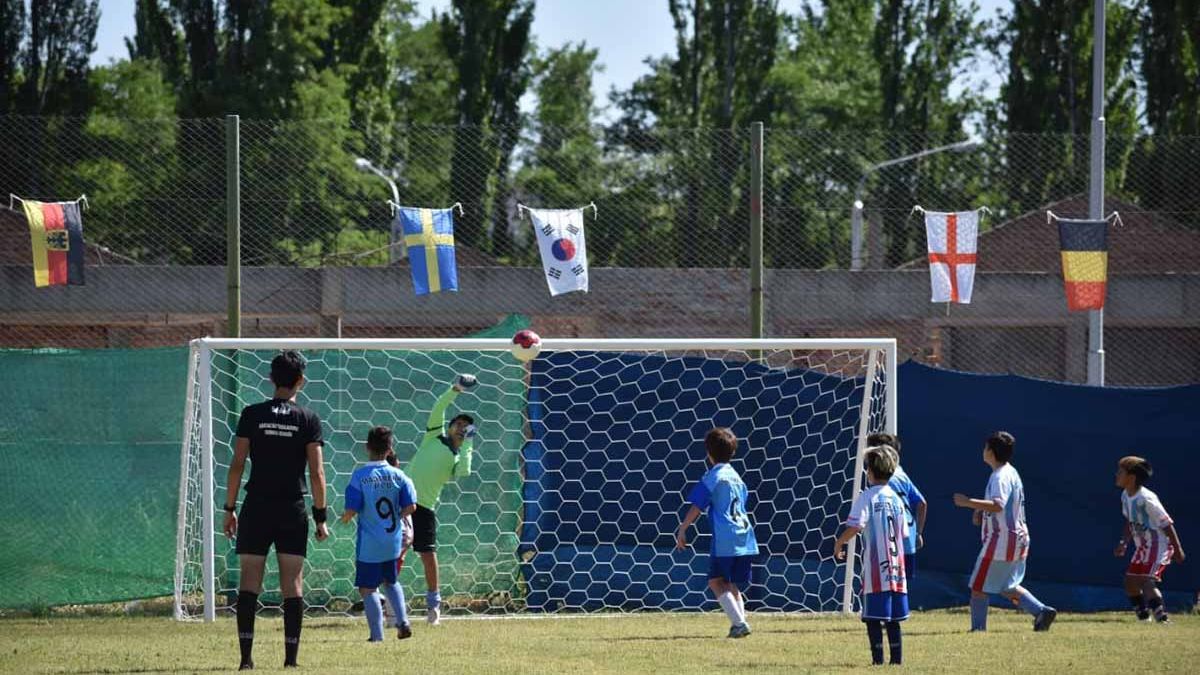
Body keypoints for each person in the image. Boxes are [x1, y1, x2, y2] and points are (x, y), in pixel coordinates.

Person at [222, 351, 328, 670]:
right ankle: (291, 661)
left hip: (256, 506)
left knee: (249, 580)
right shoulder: (308, 418)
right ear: (301, 381)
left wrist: (229, 508)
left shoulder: (252, 414)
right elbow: (317, 473)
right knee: (292, 583)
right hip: (292, 508)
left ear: (270, 379)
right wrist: (320, 516)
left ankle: (245, 660)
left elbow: (237, 465)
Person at [953, 431, 1056, 633]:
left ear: (991, 452)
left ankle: (978, 629)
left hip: (1002, 540)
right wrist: (981, 512)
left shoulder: (999, 476)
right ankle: (1041, 611)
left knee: (978, 587)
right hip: (1017, 538)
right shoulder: (1010, 472)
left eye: (985, 448)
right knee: (1006, 586)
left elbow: (998, 505)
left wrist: (968, 502)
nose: (983, 451)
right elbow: (1003, 506)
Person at [406, 374, 478, 625]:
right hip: (401, 502)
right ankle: (391, 605)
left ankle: (433, 606)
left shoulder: (458, 456)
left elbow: (464, 472)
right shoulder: (434, 435)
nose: (460, 427)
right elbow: (439, 407)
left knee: (428, 555)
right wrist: (455, 389)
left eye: (466, 426)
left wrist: (468, 442)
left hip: (424, 508)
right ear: (449, 426)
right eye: (458, 423)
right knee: (395, 552)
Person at [675, 427, 759, 638]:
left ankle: (739, 624)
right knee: (729, 583)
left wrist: (683, 528)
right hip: (746, 536)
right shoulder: (736, 477)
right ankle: (740, 624)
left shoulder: (714, 476)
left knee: (715, 581)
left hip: (726, 538)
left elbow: (697, 505)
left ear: (709, 454)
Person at [340, 426, 418, 640]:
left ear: (367, 448)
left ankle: (376, 636)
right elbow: (411, 507)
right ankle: (403, 622)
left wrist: (345, 517)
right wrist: (395, 514)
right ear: (390, 449)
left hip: (369, 544)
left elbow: (352, 509)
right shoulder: (399, 476)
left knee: (367, 588)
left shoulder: (360, 476)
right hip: (393, 540)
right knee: (391, 582)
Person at [835, 445, 909, 666]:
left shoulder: (867, 496)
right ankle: (896, 661)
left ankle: (878, 661)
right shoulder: (896, 499)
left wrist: (840, 541)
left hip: (877, 569)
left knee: (872, 618)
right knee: (894, 619)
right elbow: (904, 533)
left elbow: (856, 526)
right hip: (897, 569)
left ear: (870, 472)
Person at [1114, 455, 1186, 623]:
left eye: (1120, 472)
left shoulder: (1146, 499)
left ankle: (1162, 618)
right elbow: (1130, 521)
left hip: (1159, 545)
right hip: (1143, 546)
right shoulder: (1126, 495)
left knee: (1147, 581)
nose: (1116, 475)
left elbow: (1167, 524)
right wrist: (1124, 542)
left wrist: (1178, 548)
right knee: (1130, 582)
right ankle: (1143, 616)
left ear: (1131, 478)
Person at [868, 432, 926, 577]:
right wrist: (918, 532)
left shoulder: (884, 480)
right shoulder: (901, 474)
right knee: (902, 588)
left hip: (890, 544)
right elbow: (922, 503)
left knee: (886, 587)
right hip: (909, 540)